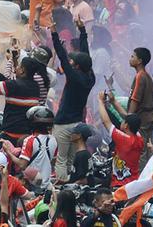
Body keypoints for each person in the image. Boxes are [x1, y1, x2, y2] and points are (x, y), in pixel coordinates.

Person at [52, 18, 94, 182]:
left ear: (76, 66)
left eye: (72, 61)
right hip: (77, 122)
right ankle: (71, 184)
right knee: (70, 159)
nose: (69, 62)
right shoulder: (90, 77)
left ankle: (63, 187)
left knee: (61, 159)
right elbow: (86, 55)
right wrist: (82, 31)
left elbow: (62, 56)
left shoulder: (75, 76)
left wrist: (54, 34)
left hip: (63, 123)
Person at [126, 47, 153, 142]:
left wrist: (129, 120)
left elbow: (135, 100)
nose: (130, 58)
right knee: (147, 146)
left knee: (142, 148)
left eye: (132, 56)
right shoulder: (146, 76)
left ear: (139, 61)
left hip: (143, 119)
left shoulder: (140, 76)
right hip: (149, 117)